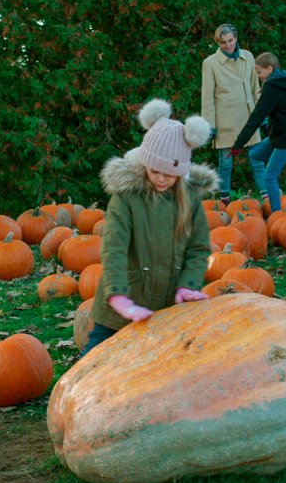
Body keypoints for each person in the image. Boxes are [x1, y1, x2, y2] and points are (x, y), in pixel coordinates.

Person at [83, 99, 215, 355]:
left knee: (151, 367)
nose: (162, 178)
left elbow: (198, 248)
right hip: (122, 304)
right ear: (145, 162)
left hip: (166, 305)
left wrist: (188, 284)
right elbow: (114, 247)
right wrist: (118, 295)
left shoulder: (190, 199)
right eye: (155, 171)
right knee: (96, 358)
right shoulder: (127, 196)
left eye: (170, 173)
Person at [230, 52, 286, 216]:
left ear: (270, 69)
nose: (258, 76)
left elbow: (257, 117)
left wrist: (238, 144)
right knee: (255, 154)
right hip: (281, 132)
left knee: (269, 176)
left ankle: (277, 216)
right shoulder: (285, 80)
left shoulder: (272, 87)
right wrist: (269, 129)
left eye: (259, 72)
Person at [200, 23, 261, 201]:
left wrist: (261, 115)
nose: (228, 45)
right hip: (226, 121)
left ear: (236, 38)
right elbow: (207, 97)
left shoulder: (248, 56)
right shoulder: (210, 63)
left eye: (230, 40)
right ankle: (223, 201)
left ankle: (268, 198)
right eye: (223, 42)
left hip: (249, 118)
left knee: (258, 160)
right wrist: (209, 126)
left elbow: (255, 87)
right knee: (226, 163)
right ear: (218, 43)